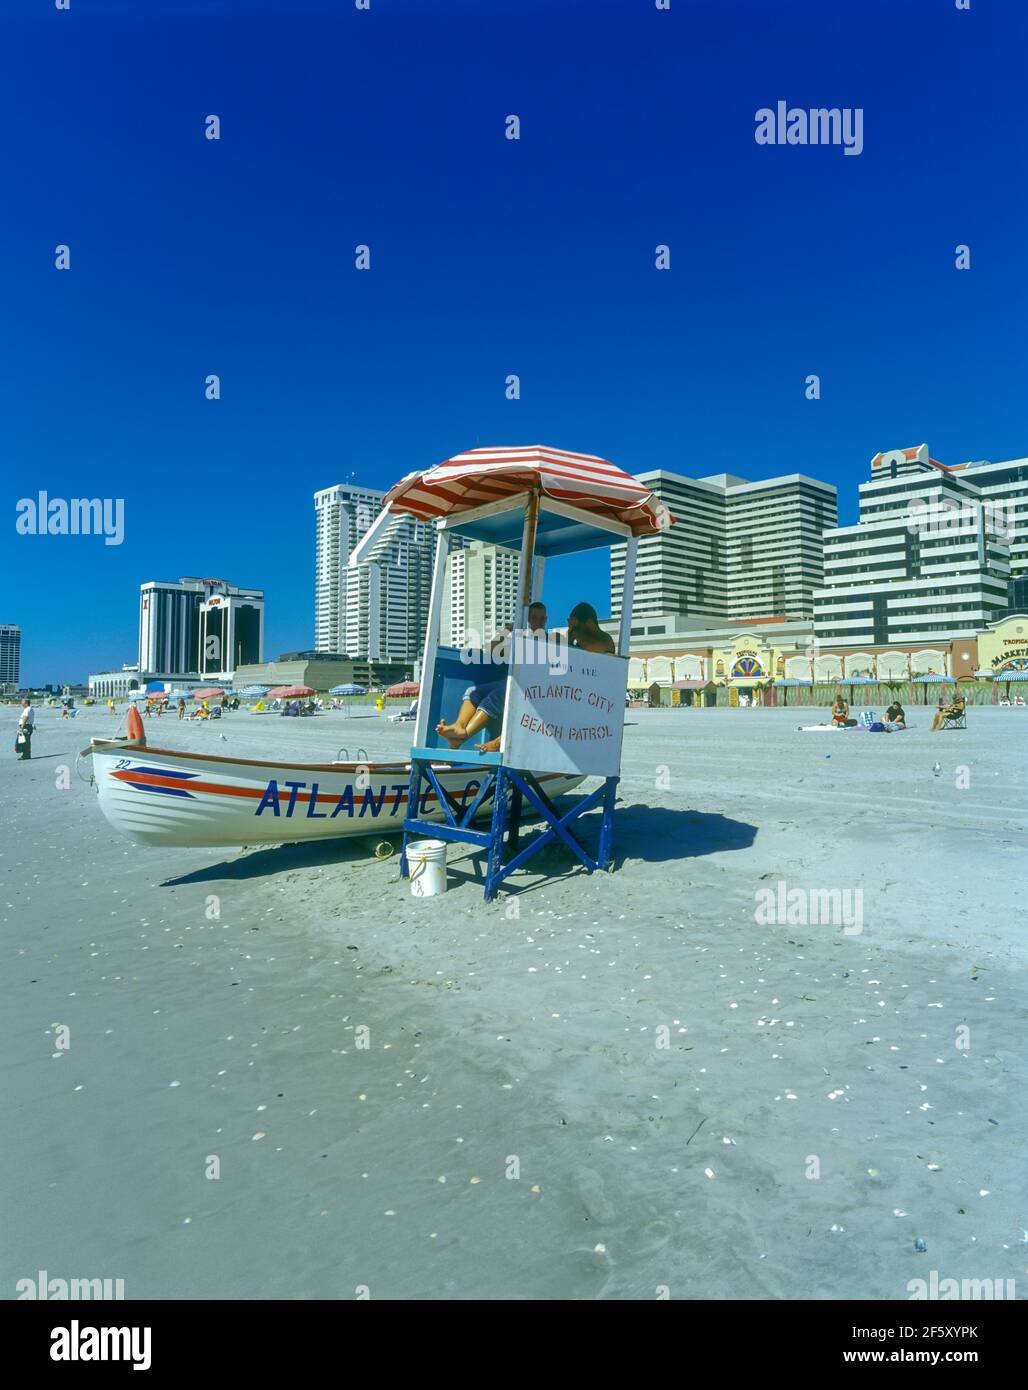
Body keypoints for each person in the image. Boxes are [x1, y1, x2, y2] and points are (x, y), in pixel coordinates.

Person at [435, 602, 548, 749]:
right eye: (534, 618)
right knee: (473, 691)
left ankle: (462, 736)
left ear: (545, 620)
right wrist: (509, 629)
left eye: (541, 619)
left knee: (497, 696)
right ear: (528, 619)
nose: (537, 622)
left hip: (534, 690)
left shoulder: (550, 641)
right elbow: (491, 651)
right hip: (514, 683)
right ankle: (459, 726)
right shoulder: (520, 639)